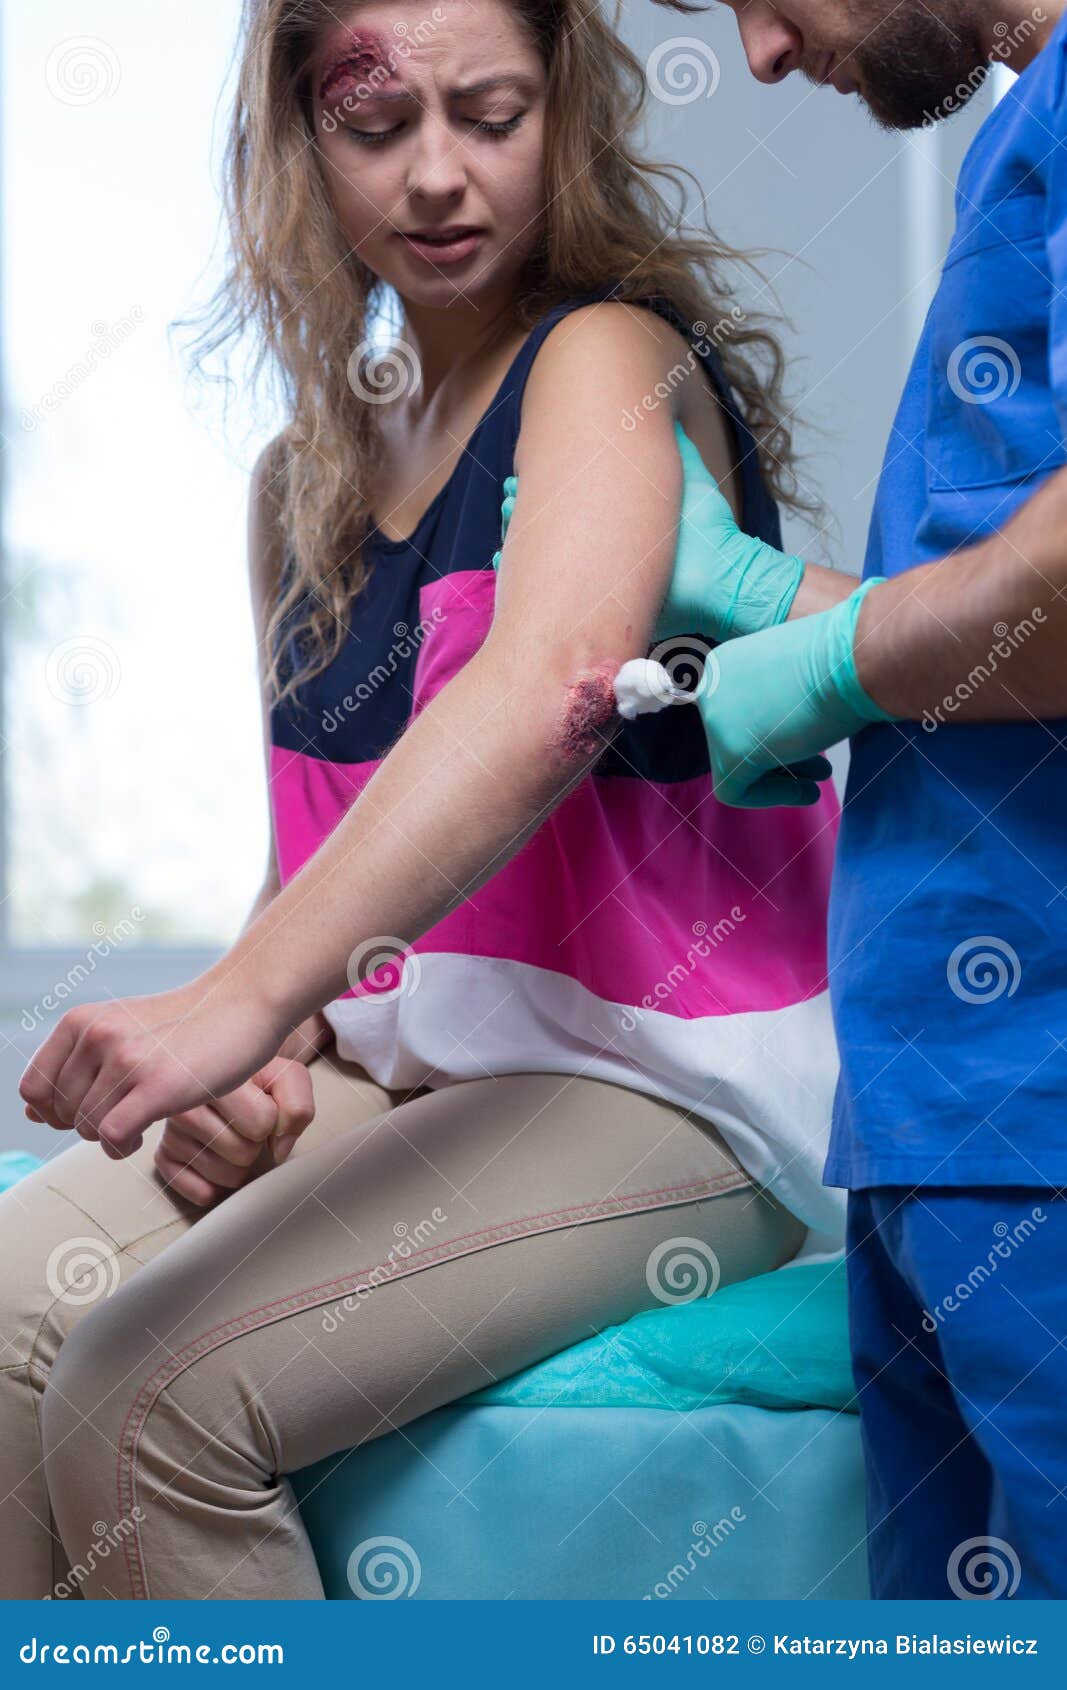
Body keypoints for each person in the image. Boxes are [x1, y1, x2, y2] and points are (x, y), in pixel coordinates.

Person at [3, 0, 840, 1600]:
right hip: (417, 1072)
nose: (440, 176)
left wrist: (239, 1004)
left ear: (568, 113)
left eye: (493, 115)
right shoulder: (302, 479)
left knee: (148, 1398)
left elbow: (550, 694)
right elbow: (317, 865)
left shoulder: (608, 362)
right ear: (301, 138)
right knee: (4, 1322)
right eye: (380, 127)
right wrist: (271, 1050)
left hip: (657, 1081)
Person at [642, 0, 1067, 1600]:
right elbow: (1000, 622)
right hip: (940, 1120)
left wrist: (827, 670)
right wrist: (772, 600)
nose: (757, 55)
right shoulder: (1028, 132)